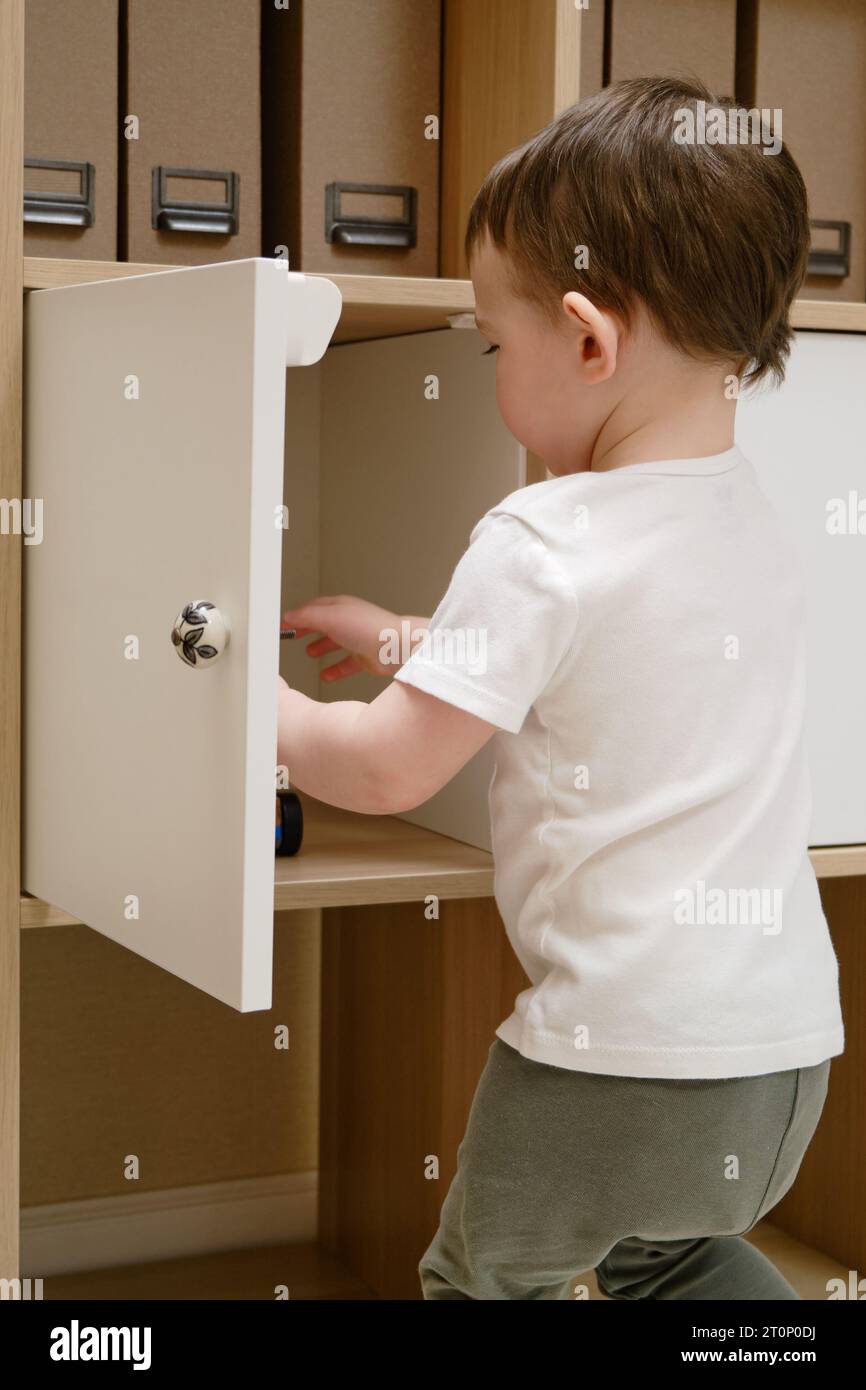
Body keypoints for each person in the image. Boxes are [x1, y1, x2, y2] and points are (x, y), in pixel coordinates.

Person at [276, 76, 843, 1300]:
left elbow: (384, 767)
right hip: (781, 1060)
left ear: (587, 339)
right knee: (671, 1252)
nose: (491, 366)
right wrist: (399, 640)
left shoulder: (541, 534)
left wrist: (237, 706)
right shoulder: (751, 520)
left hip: (615, 1061)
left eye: (493, 340)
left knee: (481, 1279)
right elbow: (607, 669)